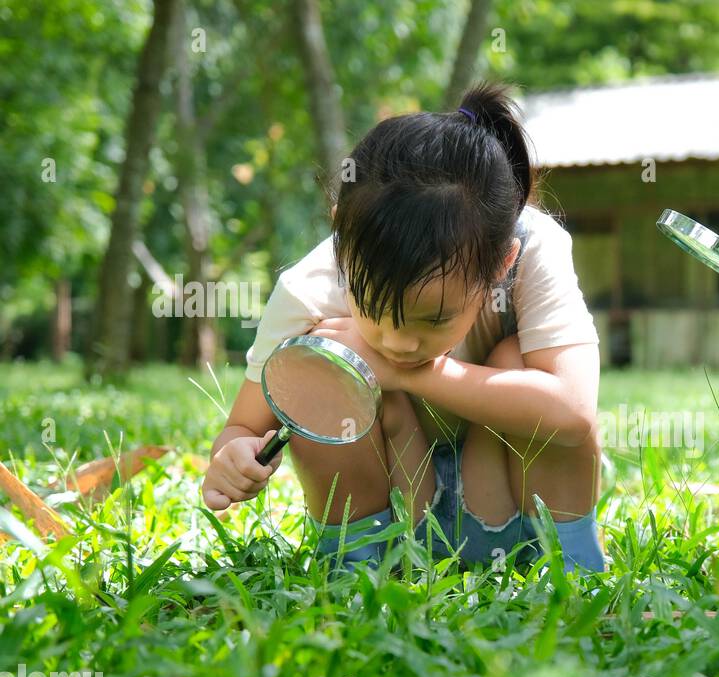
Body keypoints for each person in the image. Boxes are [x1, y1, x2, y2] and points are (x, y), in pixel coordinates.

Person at [201, 84, 604, 573]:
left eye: (433, 319)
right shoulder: (308, 289)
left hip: (514, 500)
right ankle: (357, 566)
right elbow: (242, 427)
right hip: (401, 503)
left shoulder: (533, 248)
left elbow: (573, 412)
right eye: (372, 305)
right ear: (343, 238)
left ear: (502, 262)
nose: (398, 342)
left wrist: (409, 375)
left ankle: (576, 567)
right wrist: (233, 457)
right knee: (323, 368)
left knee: (514, 359)